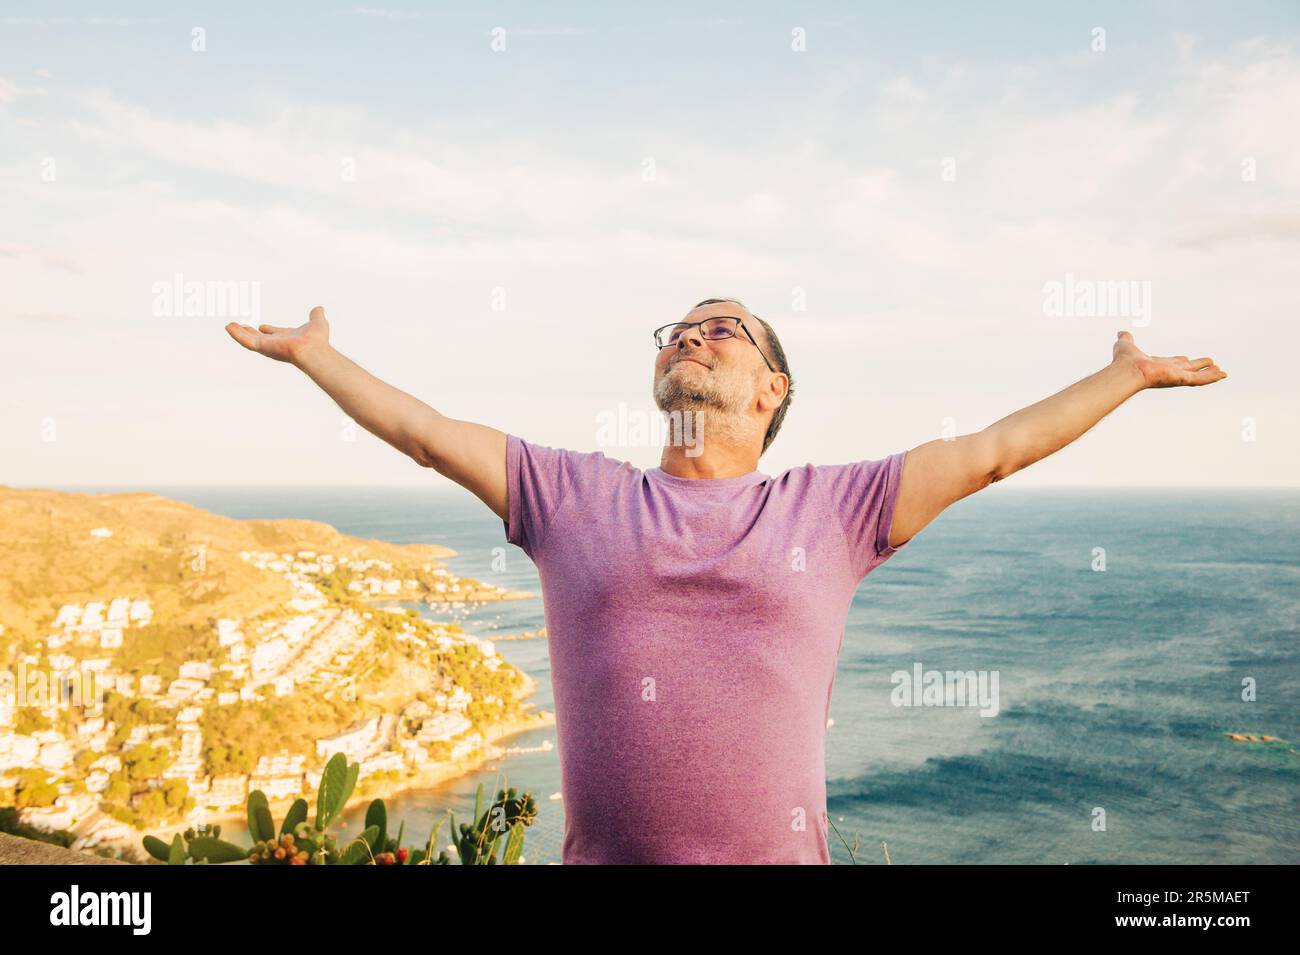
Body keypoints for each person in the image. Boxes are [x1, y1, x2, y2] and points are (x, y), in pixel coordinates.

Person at [225, 297, 1226, 864]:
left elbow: (997, 449)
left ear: (769, 389)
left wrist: (1127, 375)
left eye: (721, 329)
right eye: (676, 330)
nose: (689, 335)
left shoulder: (833, 511)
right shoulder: (568, 494)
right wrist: (319, 356)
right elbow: (424, 435)